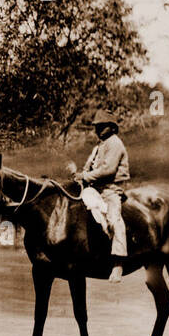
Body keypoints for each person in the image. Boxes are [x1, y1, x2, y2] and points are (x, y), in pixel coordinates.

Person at [75, 109, 130, 282]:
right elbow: (88, 167)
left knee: (114, 220)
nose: (97, 129)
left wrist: (84, 176)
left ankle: (118, 263)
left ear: (112, 127)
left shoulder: (115, 143)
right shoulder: (98, 146)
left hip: (111, 190)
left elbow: (108, 170)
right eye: (96, 126)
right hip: (94, 189)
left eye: (102, 126)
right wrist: (80, 175)